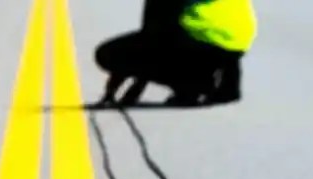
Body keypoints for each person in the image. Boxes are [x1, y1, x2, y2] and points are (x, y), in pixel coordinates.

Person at [96, 0, 257, 107]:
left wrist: (133, 81)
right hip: (237, 38)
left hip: (199, 36)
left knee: (107, 54)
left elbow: (154, 33)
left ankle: (193, 84)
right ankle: (228, 84)